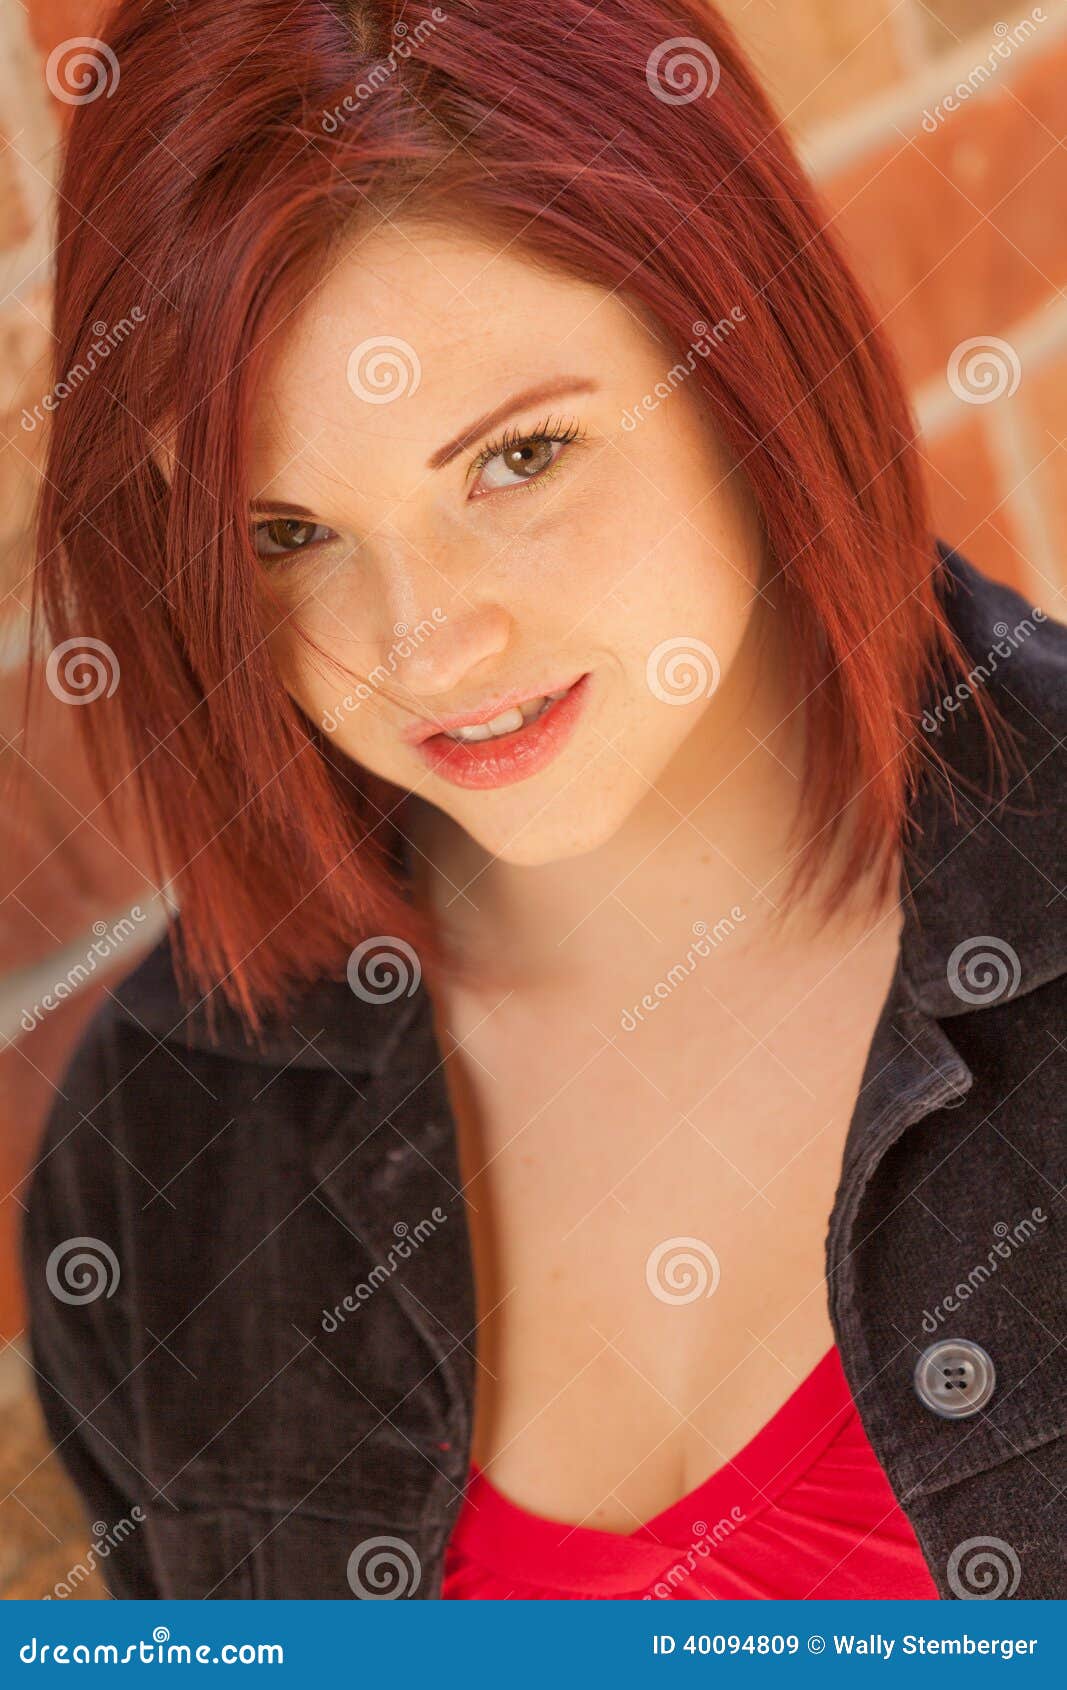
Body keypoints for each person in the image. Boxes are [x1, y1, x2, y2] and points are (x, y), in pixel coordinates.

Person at [22, 0, 1066, 1599]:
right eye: (285, 534)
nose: (422, 642)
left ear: (740, 356)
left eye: (520, 460)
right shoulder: (163, 1144)